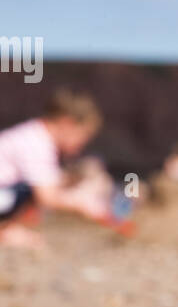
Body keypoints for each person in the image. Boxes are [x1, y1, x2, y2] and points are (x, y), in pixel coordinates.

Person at [0, 90, 108, 247]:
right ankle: (6, 233)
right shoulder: (36, 143)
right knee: (30, 189)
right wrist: (83, 203)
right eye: (82, 136)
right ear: (67, 123)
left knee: (38, 185)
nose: (80, 147)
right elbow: (48, 197)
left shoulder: (32, 134)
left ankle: (9, 229)